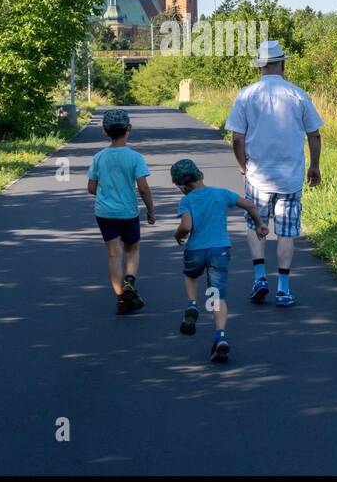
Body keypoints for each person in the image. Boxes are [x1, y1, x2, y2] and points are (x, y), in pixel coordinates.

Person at [224, 40, 323, 307]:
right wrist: (314, 166)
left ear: (260, 66)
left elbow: (236, 138)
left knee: (255, 225)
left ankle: (259, 276)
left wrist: (242, 164)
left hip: (257, 176)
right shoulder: (298, 94)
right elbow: (314, 133)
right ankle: (284, 287)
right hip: (290, 177)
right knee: (287, 231)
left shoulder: (246, 94)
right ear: (283, 63)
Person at [170, 158, 268, 363]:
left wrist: (178, 235)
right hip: (219, 251)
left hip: (196, 251)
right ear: (201, 175)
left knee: (190, 275)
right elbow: (249, 204)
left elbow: (186, 226)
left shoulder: (187, 200)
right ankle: (220, 336)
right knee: (216, 295)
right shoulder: (221, 193)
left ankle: (192, 305)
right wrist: (259, 224)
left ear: (181, 187)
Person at [86, 109, 156, 315]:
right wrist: (151, 210)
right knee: (132, 249)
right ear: (129, 129)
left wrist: (105, 190)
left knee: (113, 254)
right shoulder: (135, 157)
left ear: (105, 132)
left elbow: (91, 187)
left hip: (104, 212)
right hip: (128, 212)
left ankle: (121, 300)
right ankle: (129, 282)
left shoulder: (98, 157)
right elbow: (143, 187)